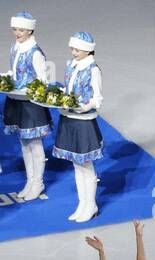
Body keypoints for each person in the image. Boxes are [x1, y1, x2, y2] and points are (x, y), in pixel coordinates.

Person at [52, 31, 102, 222]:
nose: (73, 52)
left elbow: (97, 99)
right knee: (76, 164)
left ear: (87, 50)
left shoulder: (93, 69)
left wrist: (83, 107)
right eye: (72, 48)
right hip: (69, 118)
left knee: (85, 164)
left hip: (83, 122)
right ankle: (82, 203)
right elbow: (69, 89)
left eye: (77, 49)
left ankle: (91, 204)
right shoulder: (71, 66)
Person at [4, 11, 50, 200]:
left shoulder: (35, 52)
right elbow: (14, 72)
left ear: (30, 30)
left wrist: (28, 90)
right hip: (15, 101)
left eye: (21, 29)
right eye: (15, 29)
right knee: (24, 143)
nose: (17, 33)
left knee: (35, 143)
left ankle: (38, 182)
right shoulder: (15, 47)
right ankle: (30, 180)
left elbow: (43, 81)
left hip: (31, 105)